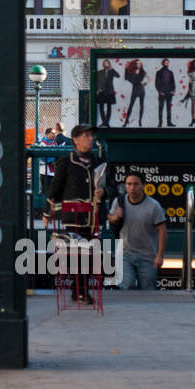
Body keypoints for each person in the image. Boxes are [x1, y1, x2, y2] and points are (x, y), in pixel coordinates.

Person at [46, 123, 117, 303]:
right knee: (79, 253)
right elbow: (55, 189)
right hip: (73, 218)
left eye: (91, 136)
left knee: (91, 254)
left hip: (93, 217)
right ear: (75, 140)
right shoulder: (66, 162)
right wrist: (47, 213)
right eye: (85, 136)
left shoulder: (99, 163)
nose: (89, 139)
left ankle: (79, 290)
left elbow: (113, 186)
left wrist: (105, 192)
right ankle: (80, 291)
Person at [108, 173, 167, 290]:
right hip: (125, 254)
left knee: (148, 289)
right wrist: (116, 217)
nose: (132, 188)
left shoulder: (153, 206)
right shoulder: (119, 202)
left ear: (143, 186)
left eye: (136, 184)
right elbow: (110, 218)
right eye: (129, 184)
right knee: (126, 285)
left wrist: (160, 256)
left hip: (147, 256)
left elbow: (162, 230)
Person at [122, 59, 148, 127]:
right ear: (135, 64)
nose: (138, 64)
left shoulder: (143, 71)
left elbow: (149, 78)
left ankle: (140, 121)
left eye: (139, 63)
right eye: (137, 63)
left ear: (141, 64)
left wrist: (146, 83)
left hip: (142, 90)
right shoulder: (132, 71)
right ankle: (126, 121)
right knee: (131, 105)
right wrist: (126, 69)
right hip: (135, 90)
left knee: (141, 106)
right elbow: (126, 78)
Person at [95, 59, 119, 127]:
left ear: (109, 64)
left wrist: (112, 69)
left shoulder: (111, 72)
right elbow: (96, 81)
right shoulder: (99, 72)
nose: (106, 65)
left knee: (109, 107)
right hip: (102, 91)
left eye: (107, 63)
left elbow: (118, 75)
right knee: (101, 107)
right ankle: (104, 122)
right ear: (103, 64)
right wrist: (97, 89)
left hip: (109, 91)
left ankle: (107, 122)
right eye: (105, 63)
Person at [155, 58, 177, 128]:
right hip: (162, 92)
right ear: (162, 63)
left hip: (169, 92)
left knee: (169, 109)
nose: (166, 63)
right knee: (161, 108)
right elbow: (156, 83)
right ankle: (160, 123)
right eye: (165, 62)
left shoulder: (171, 72)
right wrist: (160, 91)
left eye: (167, 62)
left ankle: (169, 122)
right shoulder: (158, 72)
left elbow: (173, 82)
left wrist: (173, 90)